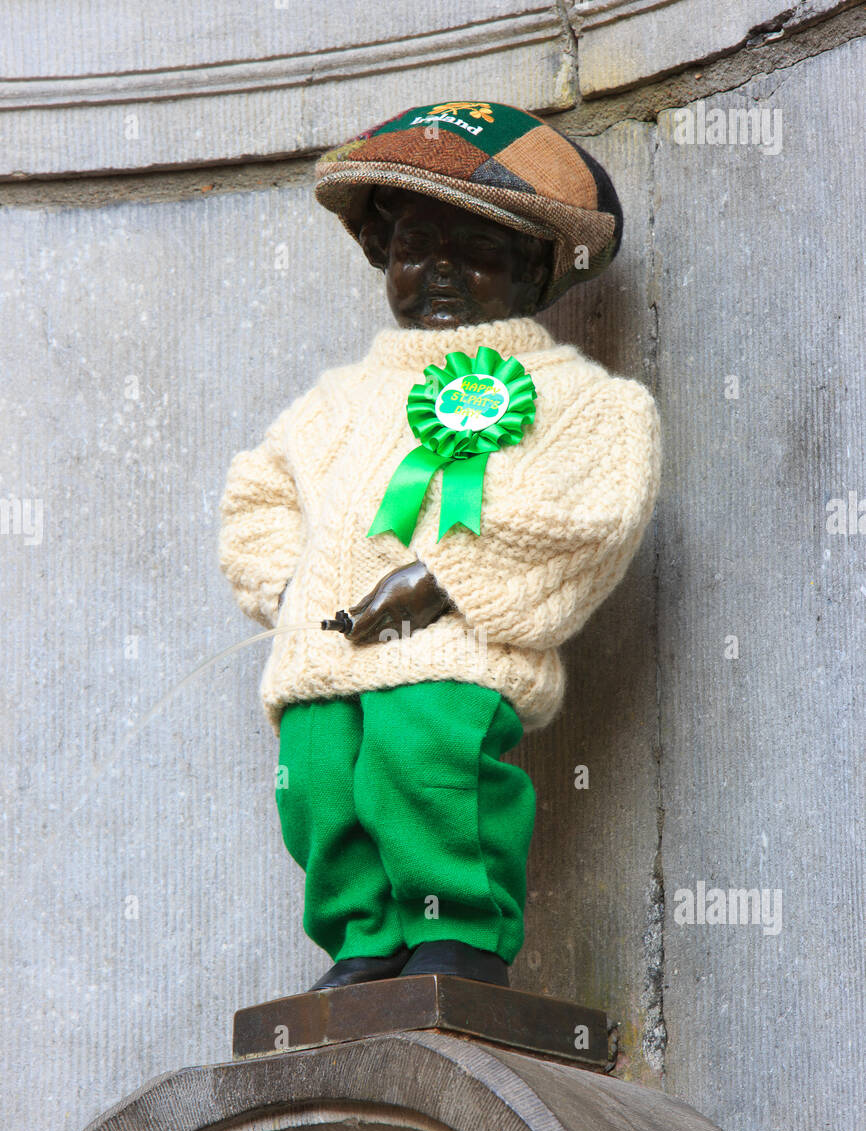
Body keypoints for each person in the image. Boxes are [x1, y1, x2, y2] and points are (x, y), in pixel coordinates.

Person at [218, 100, 661, 990]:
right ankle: (365, 942)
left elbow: (587, 514)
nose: (442, 274)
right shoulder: (336, 402)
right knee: (320, 784)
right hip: (321, 654)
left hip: (450, 654)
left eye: (480, 254)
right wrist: (290, 589)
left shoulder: (581, 399)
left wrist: (446, 576)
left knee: (426, 766)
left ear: (537, 269)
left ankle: (455, 936)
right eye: (417, 249)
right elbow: (256, 497)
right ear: (382, 255)